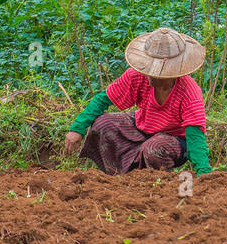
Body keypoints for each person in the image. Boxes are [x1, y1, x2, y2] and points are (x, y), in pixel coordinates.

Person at [63, 28, 212, 175]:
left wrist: (204, 173)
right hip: (143, 126)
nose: (149, 76)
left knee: (153, 148)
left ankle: (160, 182)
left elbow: (195, 136)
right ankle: (116, 176)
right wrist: (78, 128)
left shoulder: (189, 91)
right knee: (103, 124)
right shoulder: (137, 75)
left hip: (175, 140)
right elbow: (103, 99)